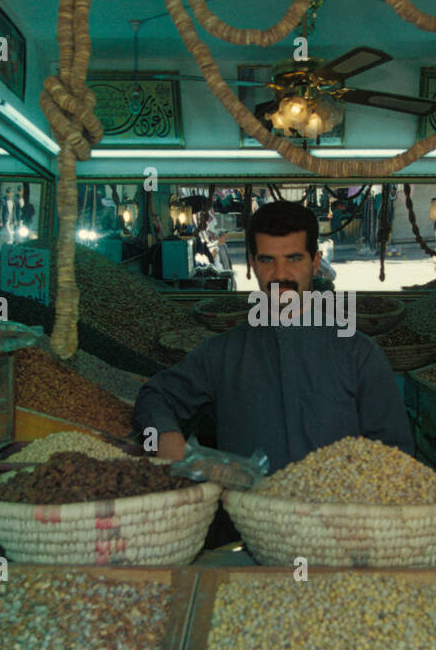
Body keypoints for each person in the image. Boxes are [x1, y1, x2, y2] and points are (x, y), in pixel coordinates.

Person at [134, 200, 413, 473]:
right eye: (268, 260)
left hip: (339, 515)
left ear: (315, 264)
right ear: (253, 264)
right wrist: (164, 437)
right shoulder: (222, 353)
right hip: (247, 515)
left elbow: (396, 454)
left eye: (294, 259)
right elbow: (154, 396)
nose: (280, 274)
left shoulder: (359, 354)